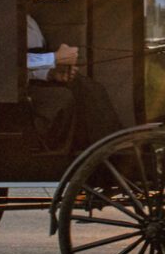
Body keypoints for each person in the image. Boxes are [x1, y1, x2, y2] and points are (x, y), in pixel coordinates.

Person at [26, 14, 107, 151]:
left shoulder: (28, 19)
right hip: (9, 92)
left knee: (87, 87)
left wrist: (50, 73)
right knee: (62, 98)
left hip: (28, 78)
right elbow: (8, 61)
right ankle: (57, 155)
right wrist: (54, 58)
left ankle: (106, 148)